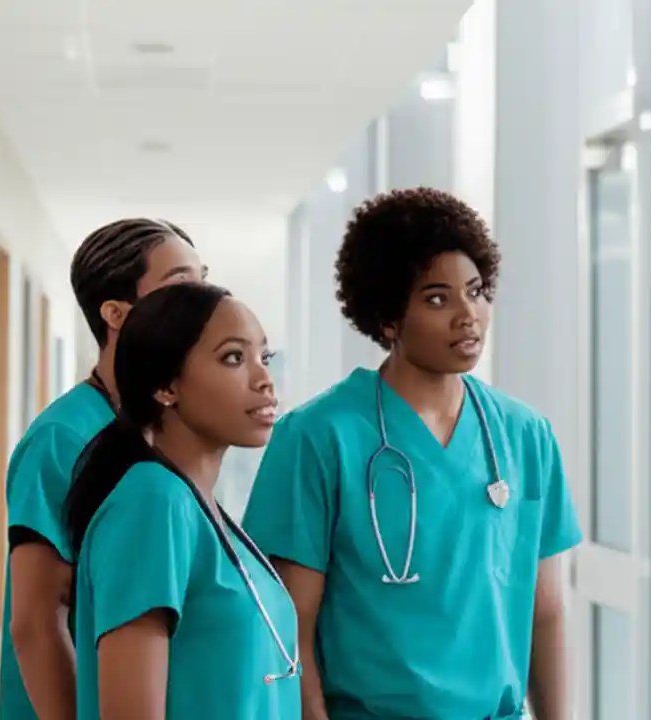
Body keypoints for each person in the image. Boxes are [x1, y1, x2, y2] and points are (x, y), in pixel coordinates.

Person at [243, 187, 583, 720]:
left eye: (475, 291)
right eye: (437, 298)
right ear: (387, 319)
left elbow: (547, 611)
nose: (467, 316)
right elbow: (291, 627)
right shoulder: (318, 436)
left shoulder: (525, 436)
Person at [64, 282, 300, 719]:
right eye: (233, 357)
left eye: (263, 357)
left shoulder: (199, 505)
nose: (264, 378)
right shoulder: (153, 503)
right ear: (166, 386)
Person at [0, 218, 205, 720]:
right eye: (182, 285)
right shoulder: (63, 438)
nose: (204, 303)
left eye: (205, 282)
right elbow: (36, 624)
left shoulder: (163, 425)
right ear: (116, 313)